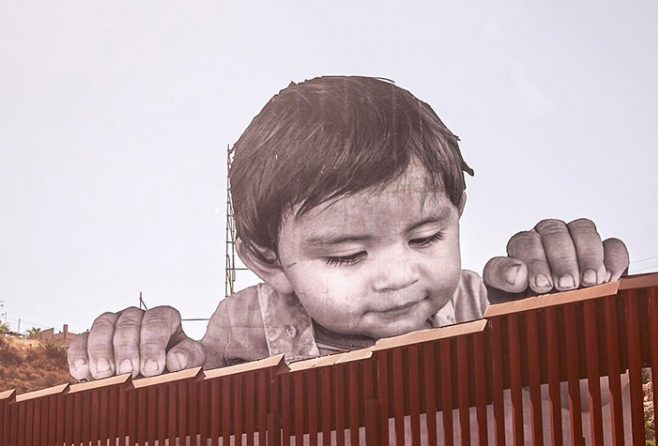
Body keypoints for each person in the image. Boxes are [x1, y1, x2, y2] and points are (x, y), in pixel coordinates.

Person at [68, 76, 628, 381]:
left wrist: (561, 324)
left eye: (427, 237)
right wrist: (152, 368)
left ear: (459, 213)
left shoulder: (491, 304)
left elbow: (590, 418)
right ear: (267, 260)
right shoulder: (243, 331)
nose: (397, 277)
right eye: (347, 255)